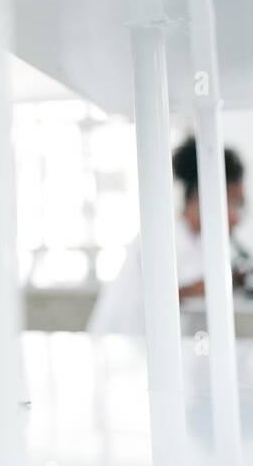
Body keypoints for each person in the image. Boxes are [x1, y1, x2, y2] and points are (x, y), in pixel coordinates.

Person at [87, 135, 246, 335]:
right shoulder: (161, 237)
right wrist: (229, 281)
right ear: (201, 195)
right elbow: (170, 295)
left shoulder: (198, 243)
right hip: (122, 346)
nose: (237, 219)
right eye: (234, 204)